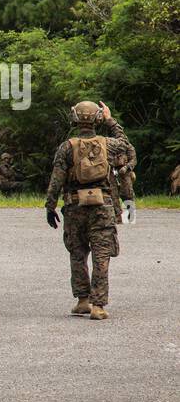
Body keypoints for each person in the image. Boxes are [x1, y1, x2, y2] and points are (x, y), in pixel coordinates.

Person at [44, 101, 134, 320]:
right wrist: (111, 119)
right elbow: (126, 145)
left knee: (77, 254)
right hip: (102, 208)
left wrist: (50, 206)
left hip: (75, 207)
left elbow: (56, 180)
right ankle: (98, 306)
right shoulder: (110, 145)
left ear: (75, 119)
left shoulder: (67, 147)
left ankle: (82, 301)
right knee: (101, 256)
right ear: (97, 120)